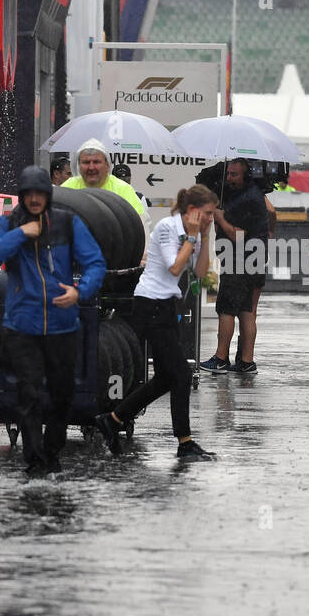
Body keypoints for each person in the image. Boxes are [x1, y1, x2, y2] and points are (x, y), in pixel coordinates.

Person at [0, 165, 105, 475]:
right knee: (29, 394)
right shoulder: (9, 223)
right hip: (22, 325)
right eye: (29, 194)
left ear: (48, 195)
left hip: (63, 325)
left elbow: (95, 262)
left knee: (63, 394)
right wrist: (21, 234)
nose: (35, 199)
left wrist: (80, 292)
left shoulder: (67, 222)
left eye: (40, 193)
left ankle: (53, 450)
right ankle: (35, 460)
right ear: (22, 197)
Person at [96, 185, 218, 461]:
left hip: (165, 305)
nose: (212, 218)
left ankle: (112, 420)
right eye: (208, 214)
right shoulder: (166, 227)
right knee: (182, 375)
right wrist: (190, 239)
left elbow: (199, 273)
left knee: (166, 378)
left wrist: (205, 238)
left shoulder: (194, 235)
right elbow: (175, 267)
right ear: (193, 211)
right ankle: (184, 442)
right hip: (149, 304)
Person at [200, 158, 270, 375]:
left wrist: (220, 217)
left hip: (240, 259)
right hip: (253, 259)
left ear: (246, 175)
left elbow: (237, 235)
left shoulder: (247, 198)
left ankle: (221, 358)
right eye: (228, 174)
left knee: (226, 309)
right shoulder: (250, 194)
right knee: (246, 311)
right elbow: (272, 212)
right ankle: (246, 361)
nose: (229, 178)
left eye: (234, 175)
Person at [61, 139, 149, 227]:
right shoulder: (67, 188)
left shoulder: (123, 190)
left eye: (96, 162)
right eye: (86, 162)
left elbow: (140, 225)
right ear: (78, 165)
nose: (91, 167)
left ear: (107, 165)